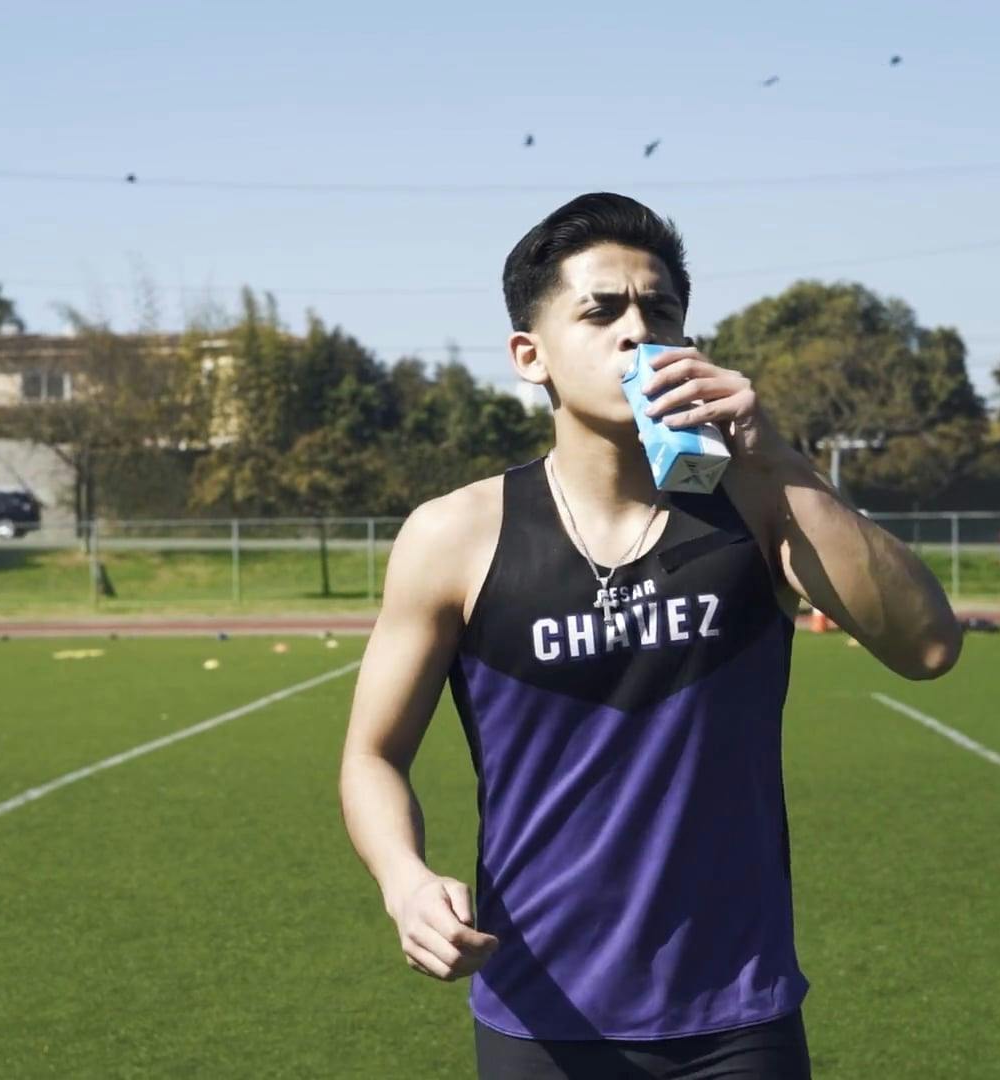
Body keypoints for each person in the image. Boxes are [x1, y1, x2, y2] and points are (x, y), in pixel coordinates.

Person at [338, 193, 963, 1080]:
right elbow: (372, 755)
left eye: (660, 311)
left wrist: (779, 461)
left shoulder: (756, 503)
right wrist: (404, 882)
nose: (638, 330)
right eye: (601, 311)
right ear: (530, 355)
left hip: (736, 1013)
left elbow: (928, 646)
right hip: (541, 1011)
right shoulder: (455, 535)